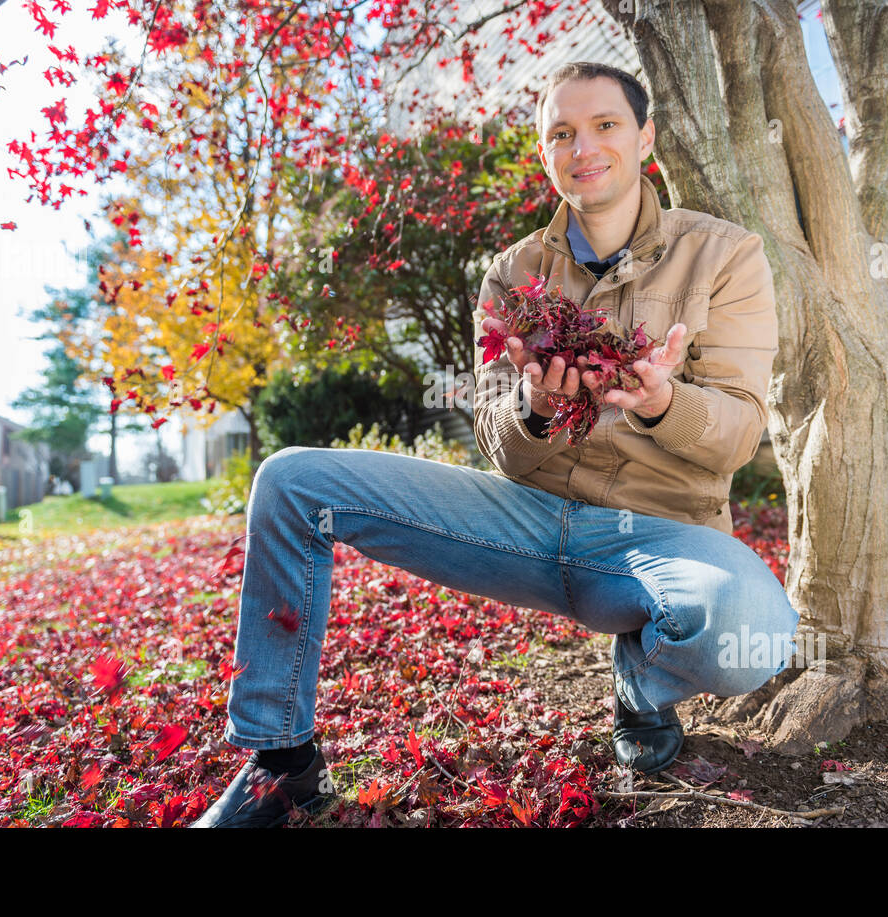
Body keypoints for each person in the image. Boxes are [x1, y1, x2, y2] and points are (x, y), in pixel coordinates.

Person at [190, 61, 799, 828]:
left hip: (659, 537)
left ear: (645, 135)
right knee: (290, 480)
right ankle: (281, 767)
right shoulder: (513, 275)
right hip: (528, 523)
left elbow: (739, 435)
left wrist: (663, 400)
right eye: (561, 133)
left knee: (755, 633)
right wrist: (536, 407)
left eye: (606, 124)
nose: (585, 146)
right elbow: (499, 446)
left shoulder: (726, 255)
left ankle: (642, 688)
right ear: (545, 153)